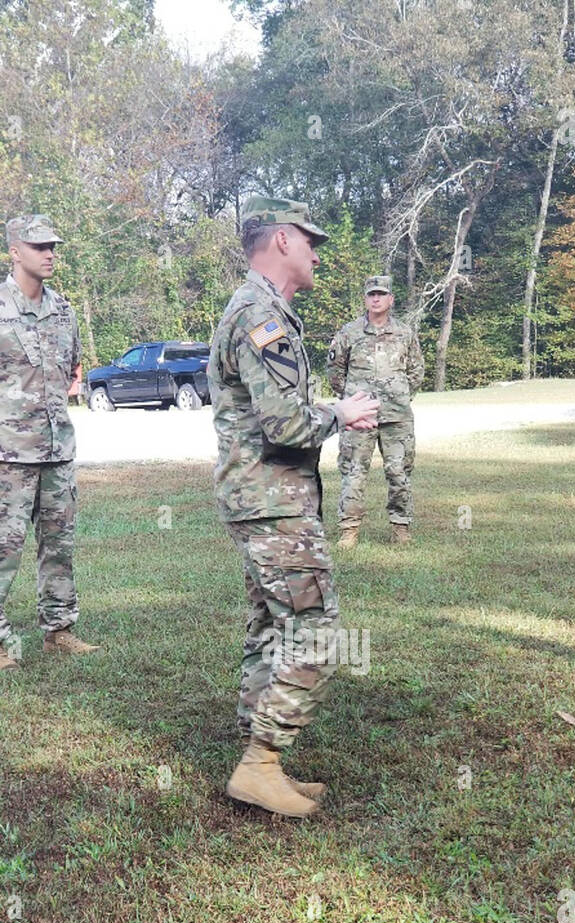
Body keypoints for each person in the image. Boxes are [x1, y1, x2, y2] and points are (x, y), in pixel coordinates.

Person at [208, 195, 378, 817]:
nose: (315, 252)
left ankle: (261, 760)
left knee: (270, 628)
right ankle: (260, 764)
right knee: (315, 633)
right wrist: (343, 412)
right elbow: (283, 425)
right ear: (281, 240)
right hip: (272, 499)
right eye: (310, 240)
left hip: (260, 498)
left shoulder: (259, 309)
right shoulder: (262, 317)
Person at [0, 214, 98, 671]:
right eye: (38, 246)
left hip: (58, 450)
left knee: (59, 544)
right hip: (9, 453)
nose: (49, 253)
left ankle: (58, 630)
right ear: (14, 251)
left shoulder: (65, 312)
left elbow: (72, 371)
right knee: (6, 547)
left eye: (52, 245)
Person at [327, 274, 425, 548]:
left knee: (399, 472)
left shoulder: (405, 333)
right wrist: (349, 401)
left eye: (381, 294)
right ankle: (349, 530)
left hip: (397, 417)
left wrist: (402, 396)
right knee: (354, 472)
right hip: (359, 418)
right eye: (372, 294)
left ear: (391, 299)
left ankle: (400, 527)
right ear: (365, 299)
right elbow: (335, 371)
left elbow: (416, 370)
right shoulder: (349, 333)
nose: (376, 298)